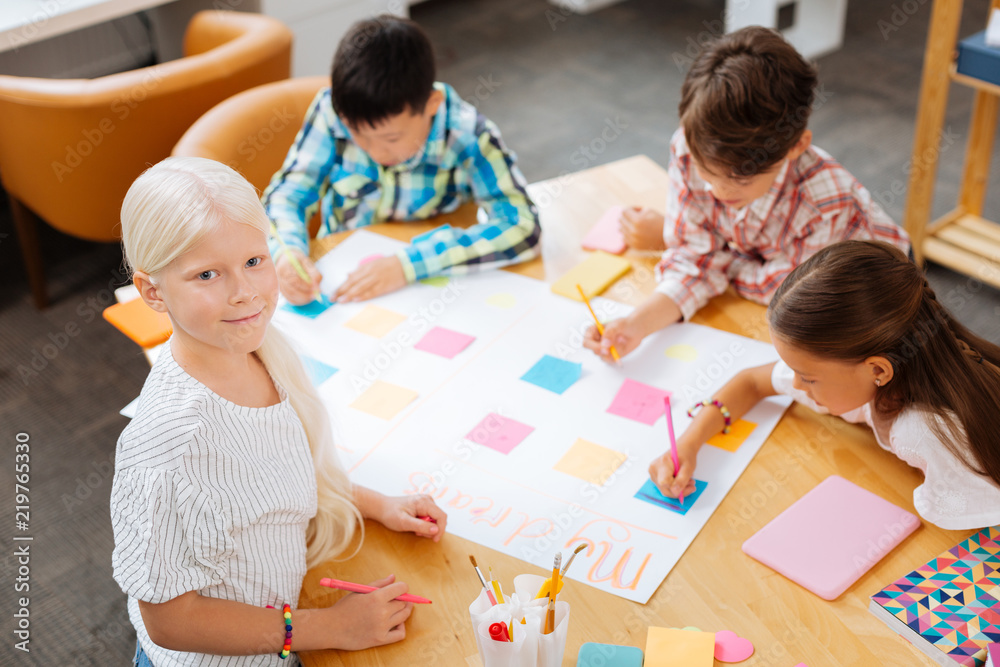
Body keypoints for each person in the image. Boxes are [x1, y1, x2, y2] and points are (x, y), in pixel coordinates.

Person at [111, 157, 448, 666]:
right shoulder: (165, 446)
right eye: (207, 274)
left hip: (280, 638)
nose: (244, 292)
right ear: (153, 291)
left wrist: (375, 502)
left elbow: (271, 475)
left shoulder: (257, 348)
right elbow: (170, 619)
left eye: (253, 261)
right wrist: (330, 626)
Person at [585, 26, 909, 362]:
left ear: (796, 146)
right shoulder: (689, 146)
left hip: (870, 299)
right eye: (705, 171)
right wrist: (633, 325)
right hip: (775, 264)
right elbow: (697, 262)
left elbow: (787, 297)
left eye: (740, 179)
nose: (717, 190)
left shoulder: (826, 206)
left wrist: (719, 260)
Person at [649, 240, 1000, 530]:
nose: (798, 385)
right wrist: (689, 444)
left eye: (809, 377)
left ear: (878, 370)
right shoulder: (879, 367)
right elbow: (752, 382)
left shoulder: (924, 430)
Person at [263, 16, 540, 306]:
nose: (374, 151)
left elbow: (523, 225)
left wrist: (409, 265)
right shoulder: (330, 111)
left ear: (432, 104)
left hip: (434, 288)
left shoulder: (467, 133)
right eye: (357, 134)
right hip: (342, 281)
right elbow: (287, 195)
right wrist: (287, 252)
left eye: (390, 139)